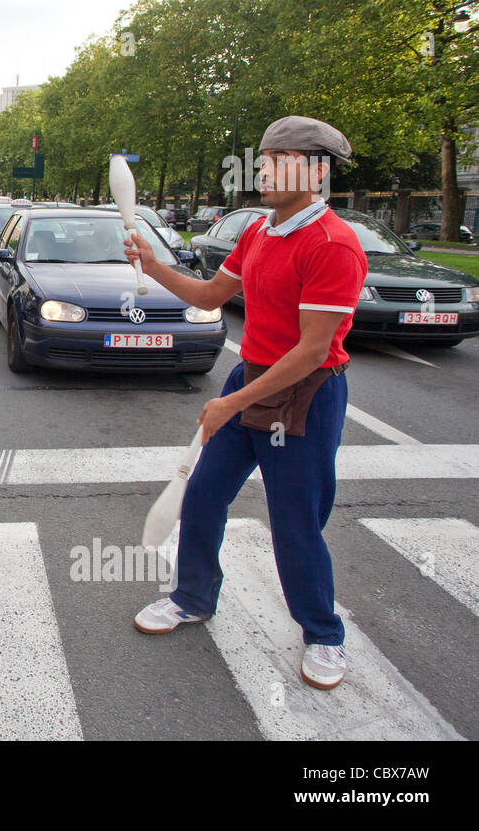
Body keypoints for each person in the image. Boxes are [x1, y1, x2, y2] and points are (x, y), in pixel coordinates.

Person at [124, 116, 367, 690]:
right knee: (204, 496)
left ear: (315, 171)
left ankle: (323, 634)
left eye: (279, 158)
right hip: (252, 377)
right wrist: (153, 265)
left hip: (304, 393)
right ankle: (192, 598)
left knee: (295, 521)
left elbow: (311, 352)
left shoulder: (333, 244)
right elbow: (211, 295)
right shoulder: (260, 231)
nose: (264, 169)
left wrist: (230, 404)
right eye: (263, 158)